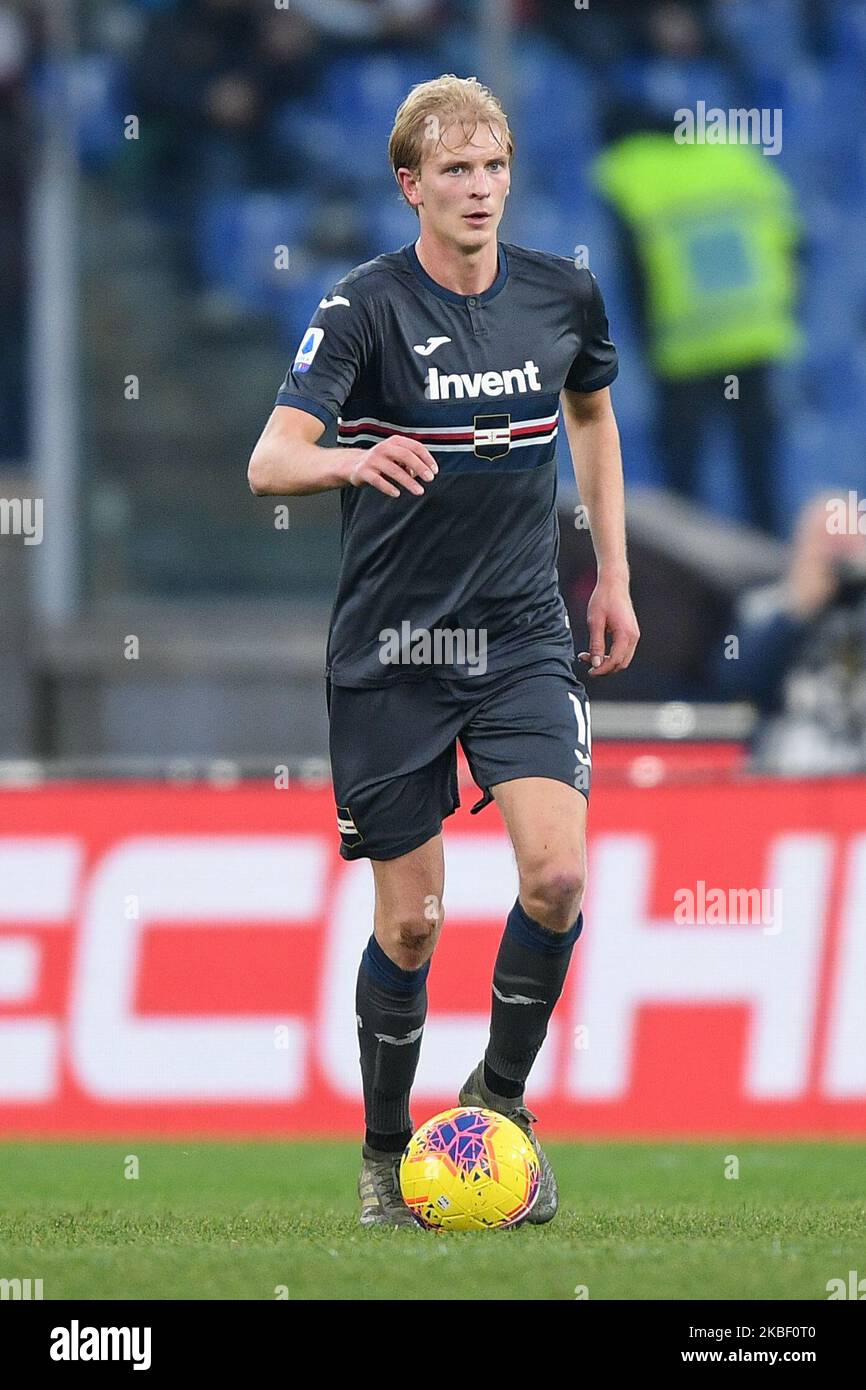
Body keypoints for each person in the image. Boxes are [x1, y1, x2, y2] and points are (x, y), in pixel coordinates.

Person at [248, 75, 640, 1227]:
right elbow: (270, 460)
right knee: (411, 919)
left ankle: (500, 1104)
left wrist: (609, 576)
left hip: (519, 634)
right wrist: (347, 461)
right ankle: (382, 1154)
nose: (478, 188)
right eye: (454, 170)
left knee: (558, 876)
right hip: (392, 647)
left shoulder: (561, 293)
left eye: (494, 166)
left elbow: (593, 415)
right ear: (409, 185)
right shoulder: (362, 310)